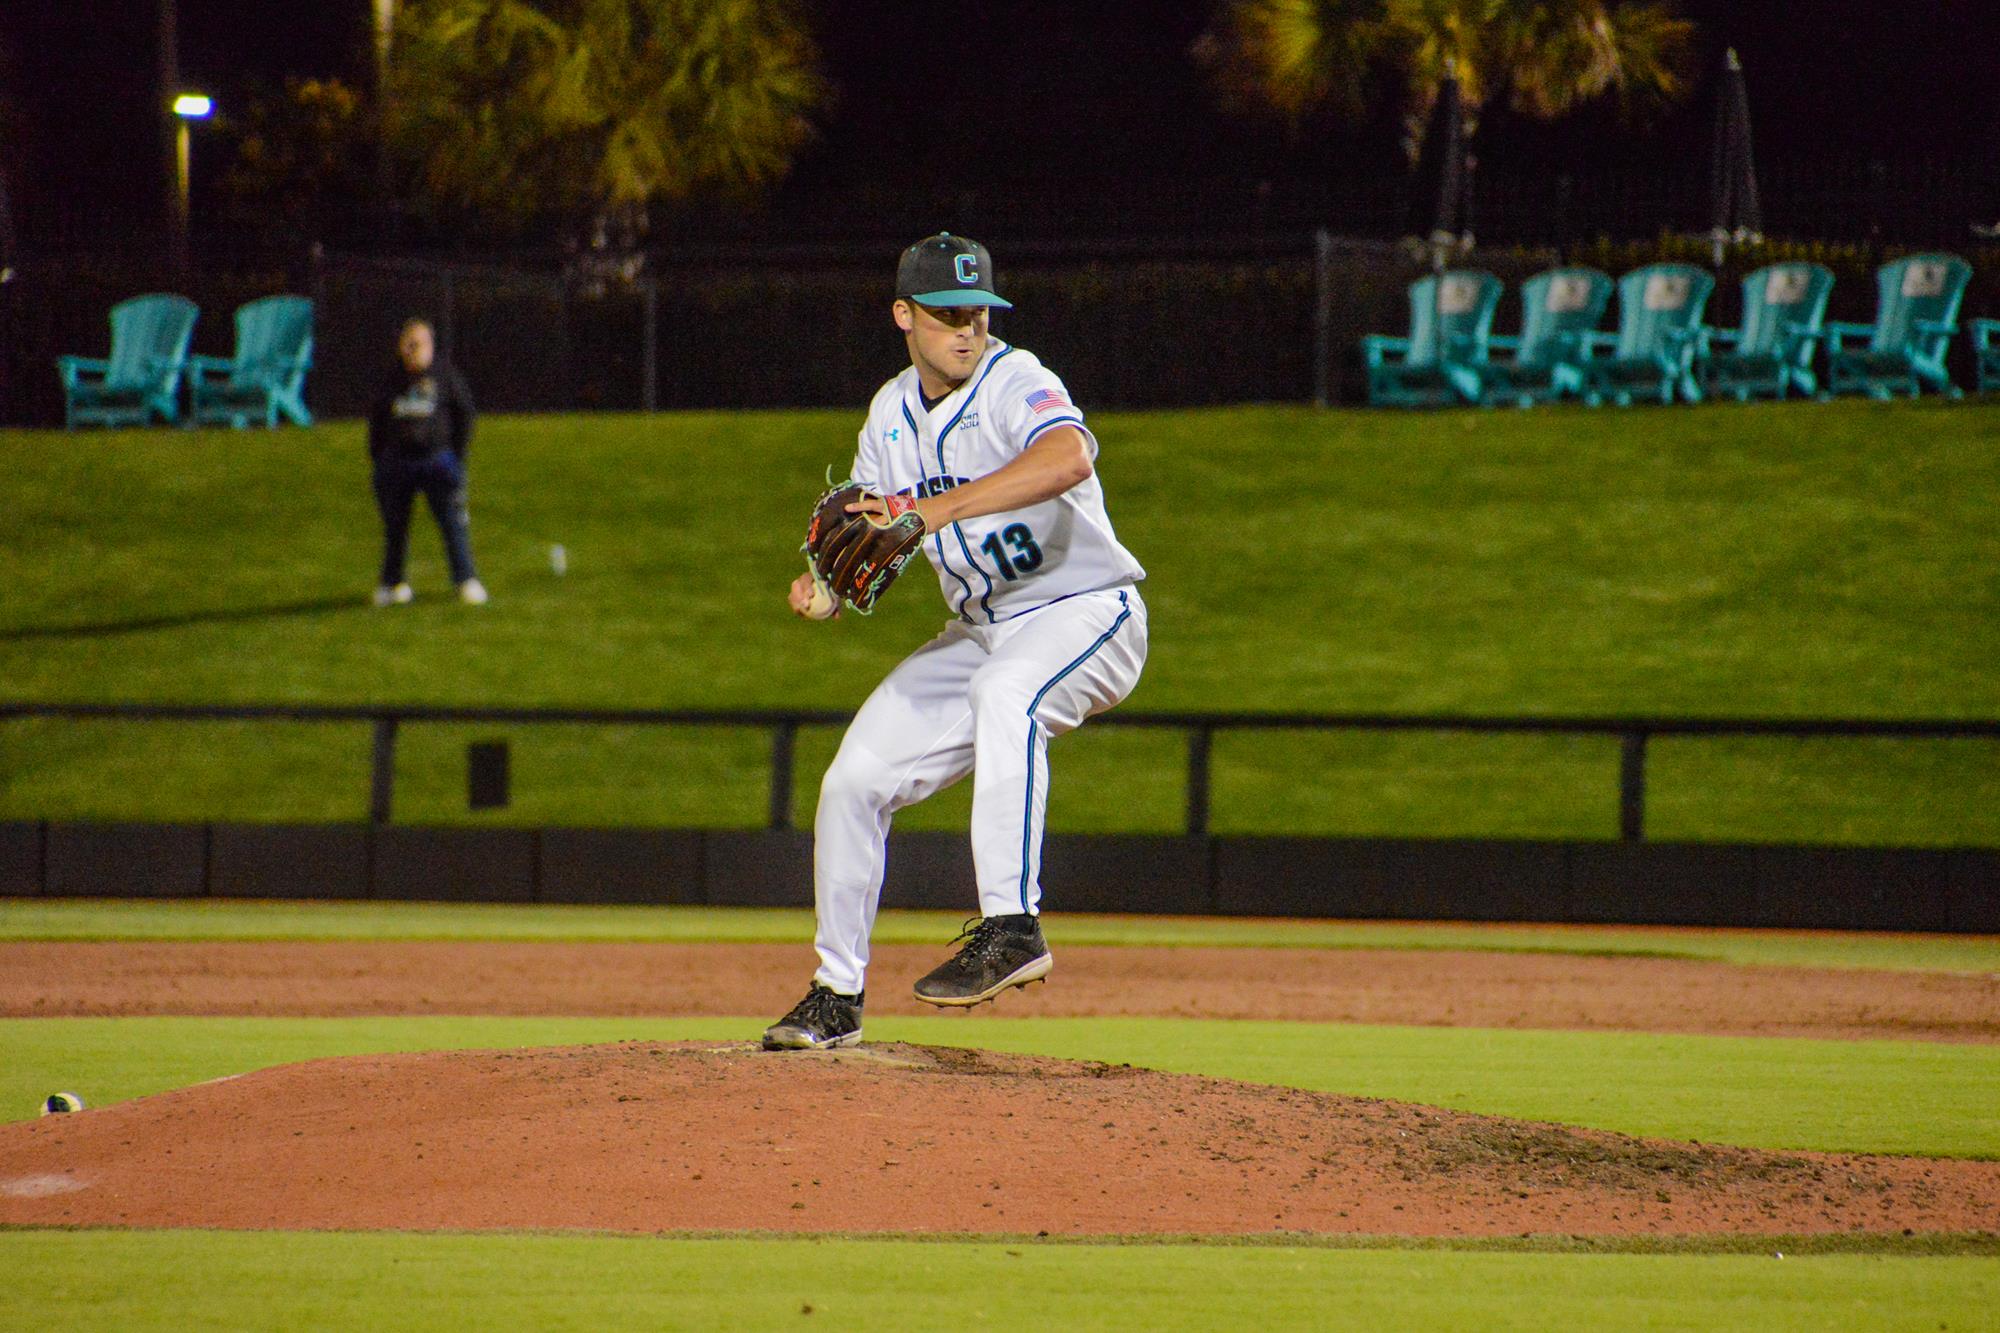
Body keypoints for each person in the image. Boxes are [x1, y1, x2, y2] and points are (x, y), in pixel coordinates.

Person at [763, 233, 1149, 1050]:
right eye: (945, 315)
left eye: (976, 312)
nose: (966, 330)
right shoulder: (888, 416)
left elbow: (1069, 455)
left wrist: (935, 509)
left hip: (1084, 609)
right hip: (980, 631)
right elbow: (877, 529)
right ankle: (836, 995)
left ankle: (1012, 926)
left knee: (1005, 692)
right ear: (904, 315)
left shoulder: (1017, 379)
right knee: (852, 780)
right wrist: (832, 588)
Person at [366, 319, 486, 606]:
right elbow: (377, 420)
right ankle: (392, 583)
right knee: (395, 527)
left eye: (416, 344)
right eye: (406, 344)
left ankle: (465, 579)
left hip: (436, 461)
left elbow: (465, 413)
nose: (410, 350)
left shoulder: (444, 376)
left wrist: (456, 454)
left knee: (451, 522)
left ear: (429, 346)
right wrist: (380, 458)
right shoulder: (392, 379)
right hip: (399, 462)